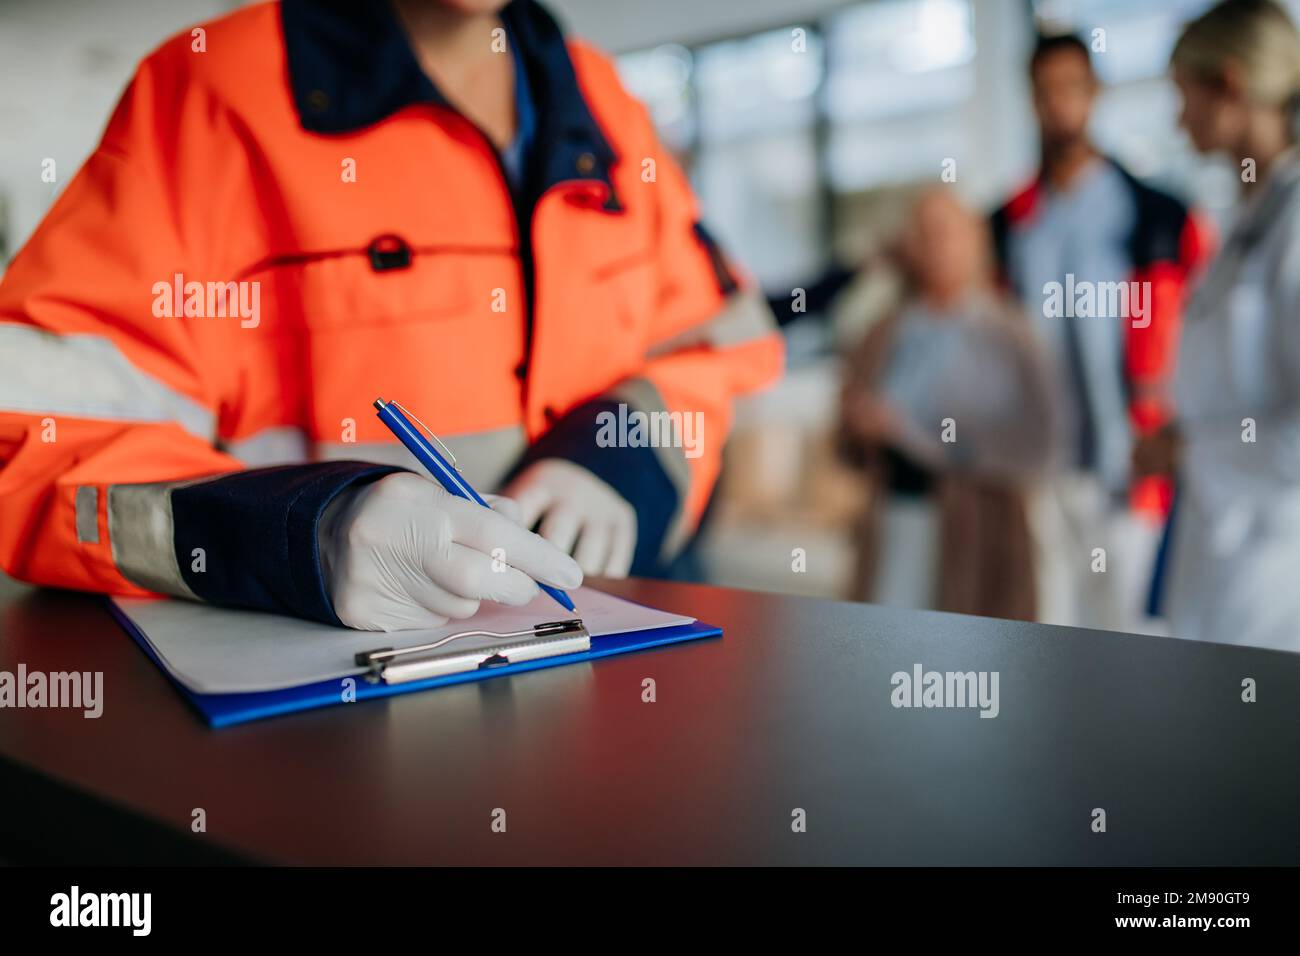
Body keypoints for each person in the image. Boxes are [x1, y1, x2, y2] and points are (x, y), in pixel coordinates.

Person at [0, 0, 783, 631]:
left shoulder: (605, 101)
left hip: (628, 666)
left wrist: (620, 455)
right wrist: (300, 533)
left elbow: (722, 343)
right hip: (350, 714)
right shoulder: (208, 95)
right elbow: (31, 442)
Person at [991, 32, 1209, 632]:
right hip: (1042, 467)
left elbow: (1204, 335)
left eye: (1070, 88)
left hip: (1129, 466)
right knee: (1050, 623)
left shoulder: (1156, 216)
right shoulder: (1011, 225)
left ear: (1094, 94)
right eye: (1044, 91)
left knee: (1134, 631)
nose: (1058, 103)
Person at [1134, 0, 1300, 651]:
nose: (1179, 118)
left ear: (1230, 84)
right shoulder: (1249, 216)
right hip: (1221, 550)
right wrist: (1185, 432)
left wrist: (1189, 450)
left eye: (1185, 94)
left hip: (1274, 567)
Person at [839, 187, 1057, 621]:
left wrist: (911, 433)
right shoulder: (885, 332)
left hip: (977, 533)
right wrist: (862, 428)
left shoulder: (1008, 333)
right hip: (898, 520)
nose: (935, 246)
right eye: (922, 234)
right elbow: (844, 441)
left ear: (975, 239)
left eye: (946, 232)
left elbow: (1035, 445)